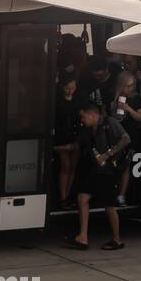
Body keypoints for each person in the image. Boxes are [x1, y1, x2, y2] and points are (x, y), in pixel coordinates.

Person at [67, 102, 130, 251]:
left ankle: (117, 240)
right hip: (96, 171)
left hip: (109, 171)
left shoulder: (110, 122)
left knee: (109, 206)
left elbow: (126, 139)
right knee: (83, 197)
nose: (82, 120)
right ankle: (83, 237)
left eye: (84, 117)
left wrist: (107, 154)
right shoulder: (88, 130)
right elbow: (77, 146)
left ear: (93, 115)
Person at [111, 70, 141, 206]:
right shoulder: (114, 96)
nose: (130, 88)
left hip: (130, 136)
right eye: (127, 86)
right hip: (115, 136)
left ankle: (121, 195)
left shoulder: (135, 98)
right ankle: (111, 192)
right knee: (112, 165)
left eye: (132, 85)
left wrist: (128, 109)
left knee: (125, 166)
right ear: (121, 85)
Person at [52, 73, 80, 209]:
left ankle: (67, 196)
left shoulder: (77, 100)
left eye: (73, 88)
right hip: (62, 137)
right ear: (62, 87)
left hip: (75, 136)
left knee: (73, 167)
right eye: (68, 88)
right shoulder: (57, 101)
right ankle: (63, 197)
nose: (71, 90)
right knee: (65, 166)